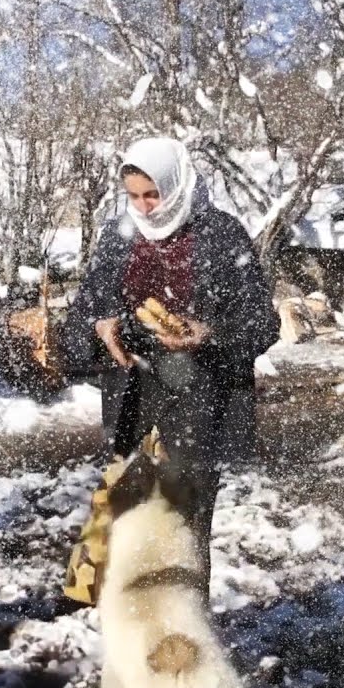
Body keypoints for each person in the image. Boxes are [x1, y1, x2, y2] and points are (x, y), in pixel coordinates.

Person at [58, 137, 278, 583]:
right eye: (134, 196)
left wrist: (210, 334)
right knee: (125, 527)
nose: (145, 206)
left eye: (153, 193)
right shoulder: (120, 237)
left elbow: (262, 322)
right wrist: (100, 326)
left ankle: (184, 637)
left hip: (201, 405)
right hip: (134, 404)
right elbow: (80, 321)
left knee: (183, 533)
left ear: (177, 184)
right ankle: (128, 630)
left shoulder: (220, 235)